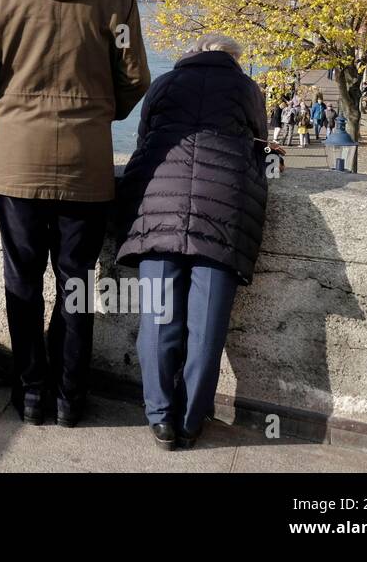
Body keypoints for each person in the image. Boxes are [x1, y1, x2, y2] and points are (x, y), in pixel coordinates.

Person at [0, 0, 150, 428]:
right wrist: (98, 115)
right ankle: (70, 398)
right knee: (78, 281)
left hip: (18, 159)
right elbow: (134, 75)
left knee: (22, 280)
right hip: (86, 165)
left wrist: (5, 115)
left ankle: (32, 393)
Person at [117, 33, 269, 451]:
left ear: (193, 53)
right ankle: (190, 421)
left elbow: (144, 137)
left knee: (157, 318)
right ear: (233, 58)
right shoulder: (247, 88)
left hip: (158, 209)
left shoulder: (164, 83)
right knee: (206, 325)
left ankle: (160, 418)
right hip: (223, 211)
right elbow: (260, 140)